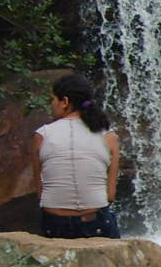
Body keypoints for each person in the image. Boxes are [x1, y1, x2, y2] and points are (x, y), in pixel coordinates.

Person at [33, 73, 121, 239]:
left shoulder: (41, 135)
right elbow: (110, 195)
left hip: (55, 225)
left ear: (65, 102)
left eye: (53, 99)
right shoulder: (109, 136)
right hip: (96, 223)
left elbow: (40, 193)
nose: (51, 105)